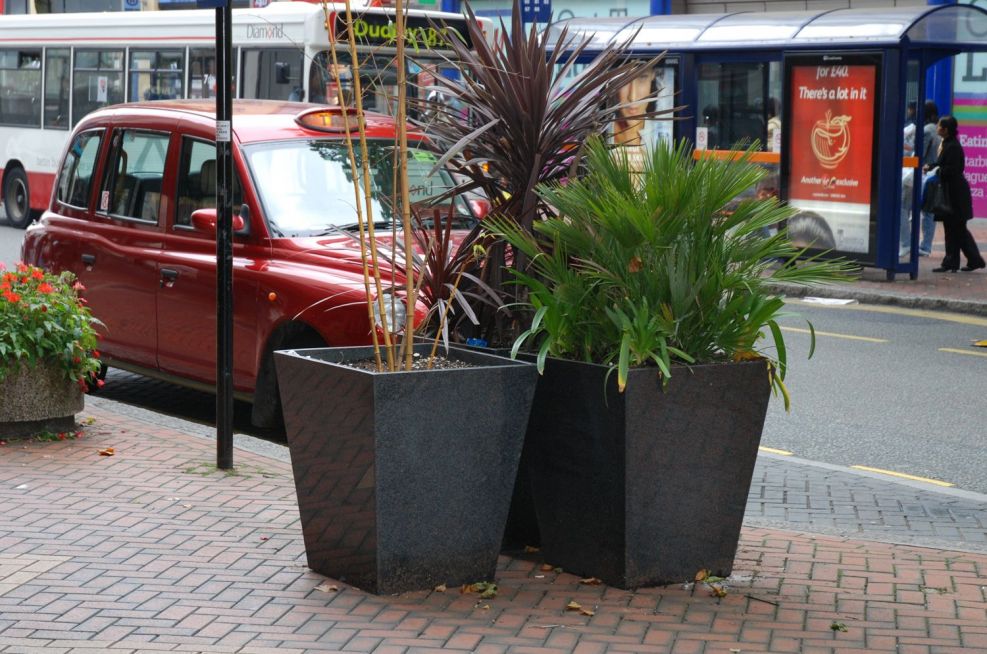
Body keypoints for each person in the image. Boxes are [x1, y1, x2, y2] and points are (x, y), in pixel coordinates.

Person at [923, 115, 986, 272]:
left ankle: (954, 262)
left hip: (956, 196)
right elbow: (942, 164)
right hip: (952, 193)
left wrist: (936, 170)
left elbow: (952, 170)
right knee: (956, 230)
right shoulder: (948, 144)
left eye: (939, 126)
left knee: (955, 230)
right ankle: (970, 260)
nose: (937, 128)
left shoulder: (953, 147)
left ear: (945, 130)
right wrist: (931, 167)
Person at [918, 100, 942, 256]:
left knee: (921, 211)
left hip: (925, 174)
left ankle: (921, 246)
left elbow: (920, 153)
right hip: (936, 175)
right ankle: (926, 245)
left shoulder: (927, 130)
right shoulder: (939, 130)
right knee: (929, 211)